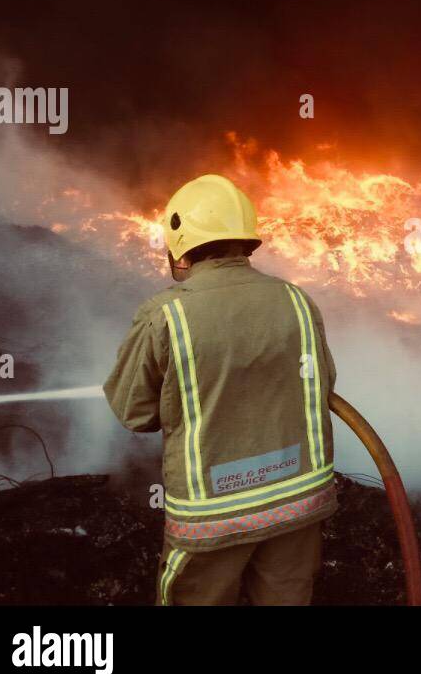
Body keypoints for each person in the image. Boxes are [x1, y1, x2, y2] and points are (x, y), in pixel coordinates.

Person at [104, 174, 337, 605]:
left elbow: (135, 413)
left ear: (180, 243)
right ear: (245, 239)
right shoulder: (297, 300)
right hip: (298, 504)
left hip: (213, 516)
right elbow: (321, 386)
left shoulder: (167, 314)